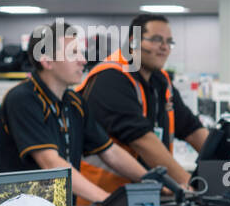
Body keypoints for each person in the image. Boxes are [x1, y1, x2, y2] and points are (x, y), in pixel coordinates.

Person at [0, 20, 146, 203]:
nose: (83, 60)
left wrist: (153, 180)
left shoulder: (74, 103)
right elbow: (51, 163)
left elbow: (110, 152)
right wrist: (107, 199)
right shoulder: (23, 99)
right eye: (73, 53)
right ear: (47, 61)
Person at [78, 13, 208, 190]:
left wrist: (224, 170)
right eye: (156, 39)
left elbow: (191, 129)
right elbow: (141, 140)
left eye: (169, 42)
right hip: (105, 196)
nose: (164, 47)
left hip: (146, 192)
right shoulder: (110, 78)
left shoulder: (161, 81)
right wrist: (187, 183)